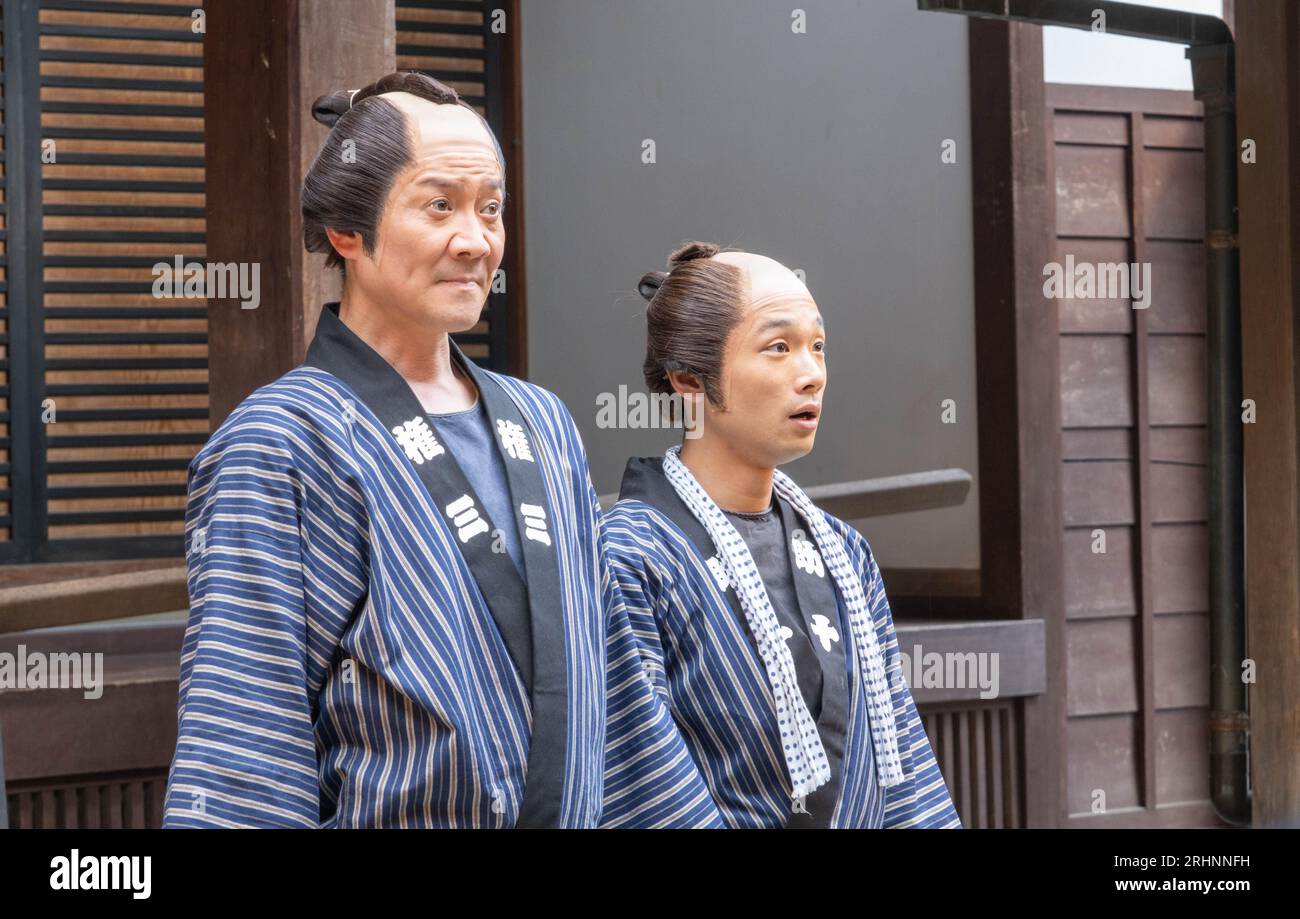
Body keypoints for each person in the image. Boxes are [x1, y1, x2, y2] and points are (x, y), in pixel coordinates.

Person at [162, 72, 715, 828]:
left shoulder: (544, 423)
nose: (475, 240)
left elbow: (616, 684)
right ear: (347, 231)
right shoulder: (282, 440)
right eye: (439, 205)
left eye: (490, 208)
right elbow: (247, 731)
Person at [604, 241, 962, 828]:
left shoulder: (843, 551)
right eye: (779, 347)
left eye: (817, 346)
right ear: (689, 380)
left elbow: (903, 764)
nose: (812, 374)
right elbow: (641, 775)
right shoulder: (630, 555)